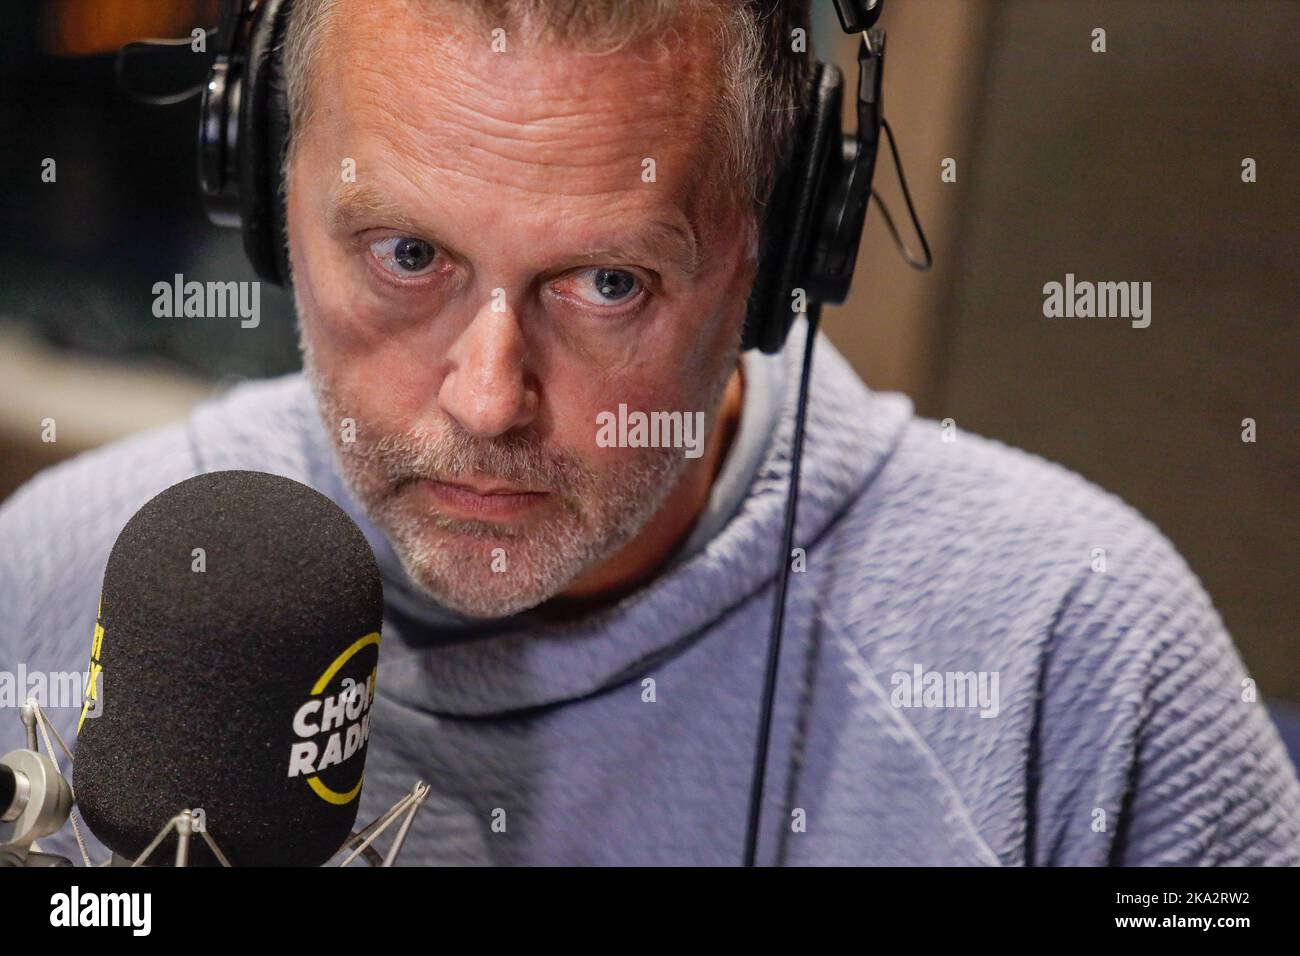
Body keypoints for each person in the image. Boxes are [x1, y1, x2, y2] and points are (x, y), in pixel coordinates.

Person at [2, 0, 1297, 865]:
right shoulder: (51, 576)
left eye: (608, 282)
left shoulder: (1079, 661)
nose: (487, 399)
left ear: (779, 250)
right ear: (262, 182)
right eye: (406, 254)